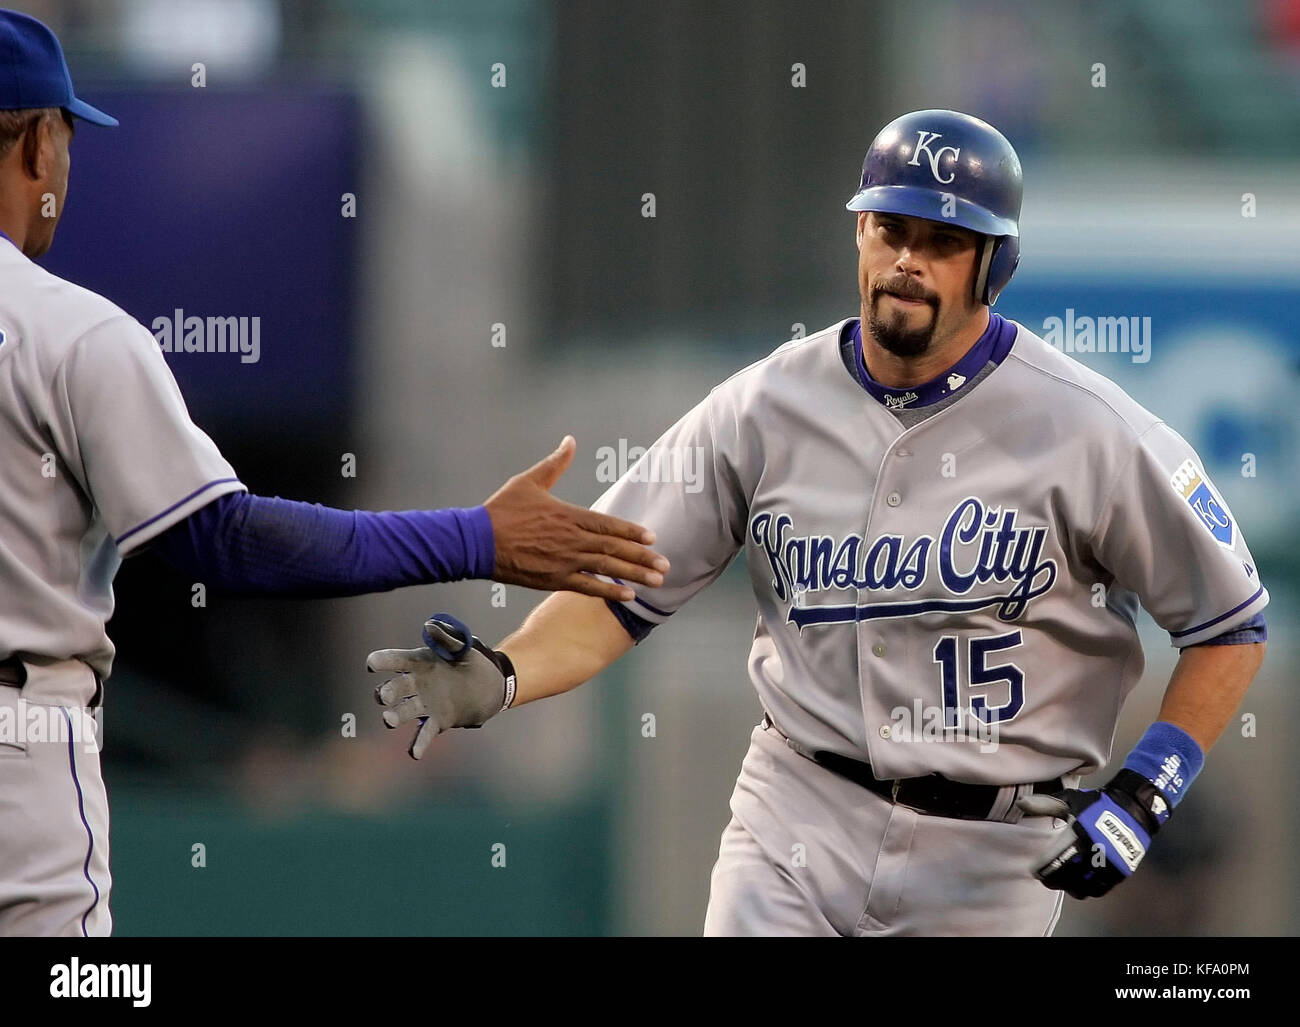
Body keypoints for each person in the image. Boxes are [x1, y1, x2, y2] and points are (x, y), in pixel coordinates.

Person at [365, 108, 1267, 936]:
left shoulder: (1091, 427)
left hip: (994, 853)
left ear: (996, 264)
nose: (909, 258)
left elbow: (1230, 622)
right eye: (892, 229)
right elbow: (619, 582)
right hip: (798, 807)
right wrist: (511, 670)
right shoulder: (764, 405)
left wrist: (1148, 789)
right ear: (860, 234)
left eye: (944, 240)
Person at [0, 8, 667, 937]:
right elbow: (224, 541)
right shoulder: (72, 331)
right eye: (67, 136)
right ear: (35, 142)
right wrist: (478, 537)